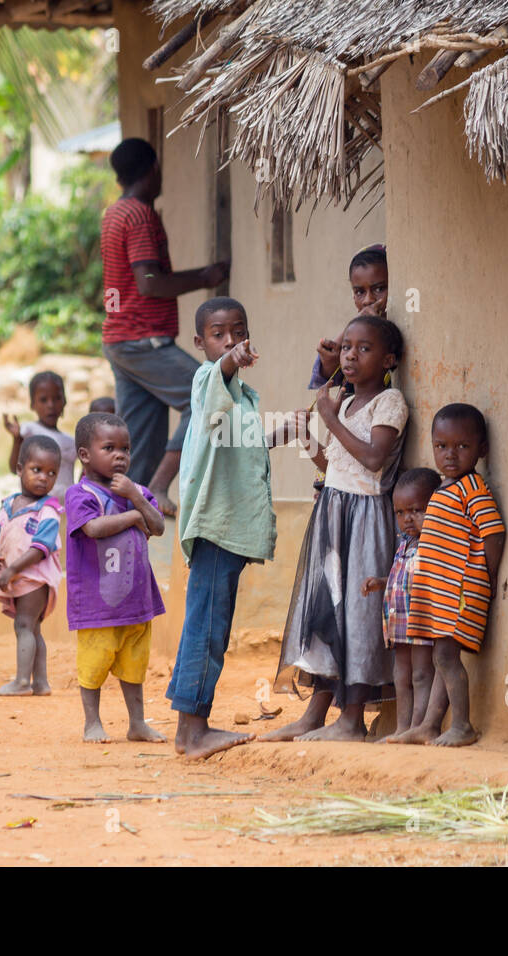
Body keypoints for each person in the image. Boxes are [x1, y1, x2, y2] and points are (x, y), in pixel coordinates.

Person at [166, 297, 305, 759]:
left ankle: (193, 723)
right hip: (214, 526)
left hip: (225, 528)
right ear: (199, 342)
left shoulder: (241, 396)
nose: (230, 341)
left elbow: (239, 442)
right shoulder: (209, 378)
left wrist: (284, 431)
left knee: (210, 622)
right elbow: (217, 378)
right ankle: (192, 731)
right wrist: (230, 359)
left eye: (237, 332)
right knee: (206, 625)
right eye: (218, 334)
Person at [264, 315, 408, 742]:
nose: (350, 355)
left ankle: (352, 721)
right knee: (328, 613)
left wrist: (328, 420)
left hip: (366, 519)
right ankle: (314, 715)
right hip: (332, 511)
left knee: (359, 618)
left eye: (364, 349)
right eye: (347, 347)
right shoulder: (343, 404)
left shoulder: (390, 401)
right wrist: (305, 438)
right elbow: (334, 466)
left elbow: (374, 458)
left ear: (389, 359)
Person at [99, 137, 230, 516]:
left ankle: (121, 517)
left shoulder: (113, 214)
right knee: (210, 391)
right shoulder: (139, 215)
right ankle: (158, 486)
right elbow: (149, 282)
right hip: (143, 340)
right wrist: (205, 276)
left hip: (121, 341)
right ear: (153, 169)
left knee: (137, 441)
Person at [400, 404, 506, 747]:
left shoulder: (472, 488)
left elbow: (493, 532)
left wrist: (487, 580)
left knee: (446, 656)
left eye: (463, 447)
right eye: (441, 446)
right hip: (441, 593)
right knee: (439, 656)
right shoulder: (445, 490)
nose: (450, 454)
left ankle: (462, 725)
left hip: (461, 590)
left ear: (482, 450)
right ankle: (430, 725)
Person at [64, 412, 168, 743]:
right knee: (93, 665)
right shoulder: (80, 494)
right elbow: (92, 528)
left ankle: (137, 723)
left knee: (134, 666)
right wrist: (133, 516)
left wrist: (137, 499)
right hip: (96, 604)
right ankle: (91, 722)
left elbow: (159, 527)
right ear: (85, 455)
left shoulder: (136, 491)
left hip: (137, 601)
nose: (120, 455)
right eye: (109, 448)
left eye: (125, 448)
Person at [360, 468, 441, 741]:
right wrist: (381, 582)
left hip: (420, 622)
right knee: (401, 676)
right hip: (398, 624)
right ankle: (401, 728)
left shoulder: (433, 544)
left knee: (421, 674)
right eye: (401, 513)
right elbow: (401, 575)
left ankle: (418, 727)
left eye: (417, 510)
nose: (408, 519)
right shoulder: (404, 544)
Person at [309, 245, 389, 496]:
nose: (368, 300)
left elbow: (375, 458)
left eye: (379, 289)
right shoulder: (354, 340)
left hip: (369, 484)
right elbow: (330, 367)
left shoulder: (391, 332)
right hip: (340, 479)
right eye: (359, 292)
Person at [0, 435, 63, 697]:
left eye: (51, 473)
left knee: (23, 625)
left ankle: (22, 682)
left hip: (35, 577)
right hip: (19, 577)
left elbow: (40, 549)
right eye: (36, 470)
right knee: (32, 627)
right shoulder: (8, 505)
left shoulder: (49, 511)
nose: (44, 477)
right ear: (19, 469)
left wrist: (12, 570)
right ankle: (40, 682)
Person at [3, 371, 76, 501]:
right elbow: (14, 468)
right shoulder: (29, 431)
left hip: (64, 507)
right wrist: (17, 440)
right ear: (32, 404)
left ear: (65, 401)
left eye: (57, 398)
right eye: (43, 400)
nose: (51, 405)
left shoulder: (71, 441)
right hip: (35, 506)